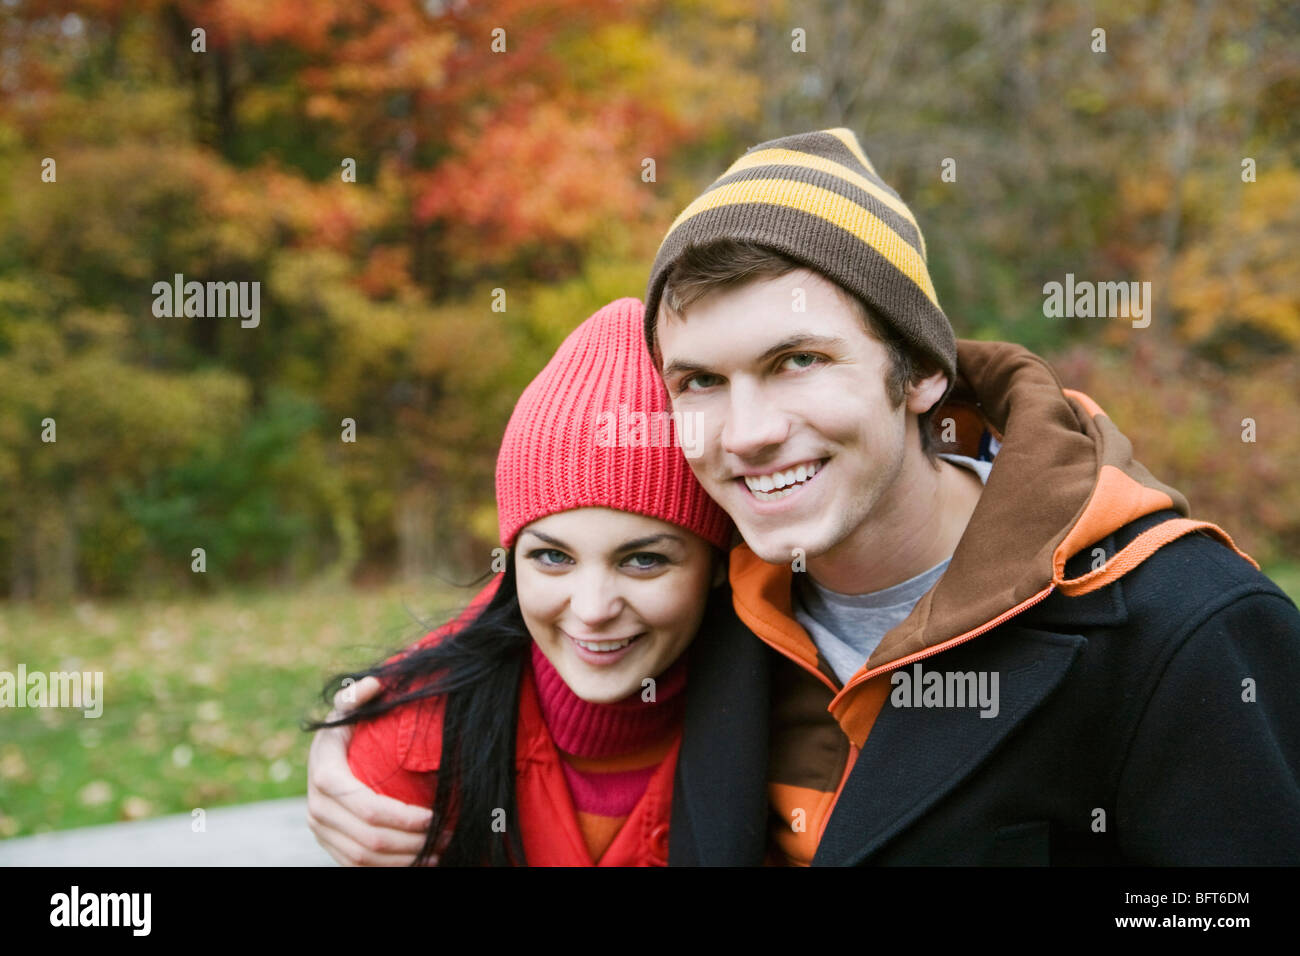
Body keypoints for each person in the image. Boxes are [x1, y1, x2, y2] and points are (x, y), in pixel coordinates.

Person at [311, 128, 1300, 865]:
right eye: (699, 380)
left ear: (918, 371)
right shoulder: (727, 589)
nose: (745, 431)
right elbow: (569, 575)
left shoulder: (1179, 630)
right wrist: (365, 723)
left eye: (795, 361)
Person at [307, 297, 744, 866]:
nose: (591, 610)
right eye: (552, 558)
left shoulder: (793, 721)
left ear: (717, 565)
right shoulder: (410, 746)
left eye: (643, 561)